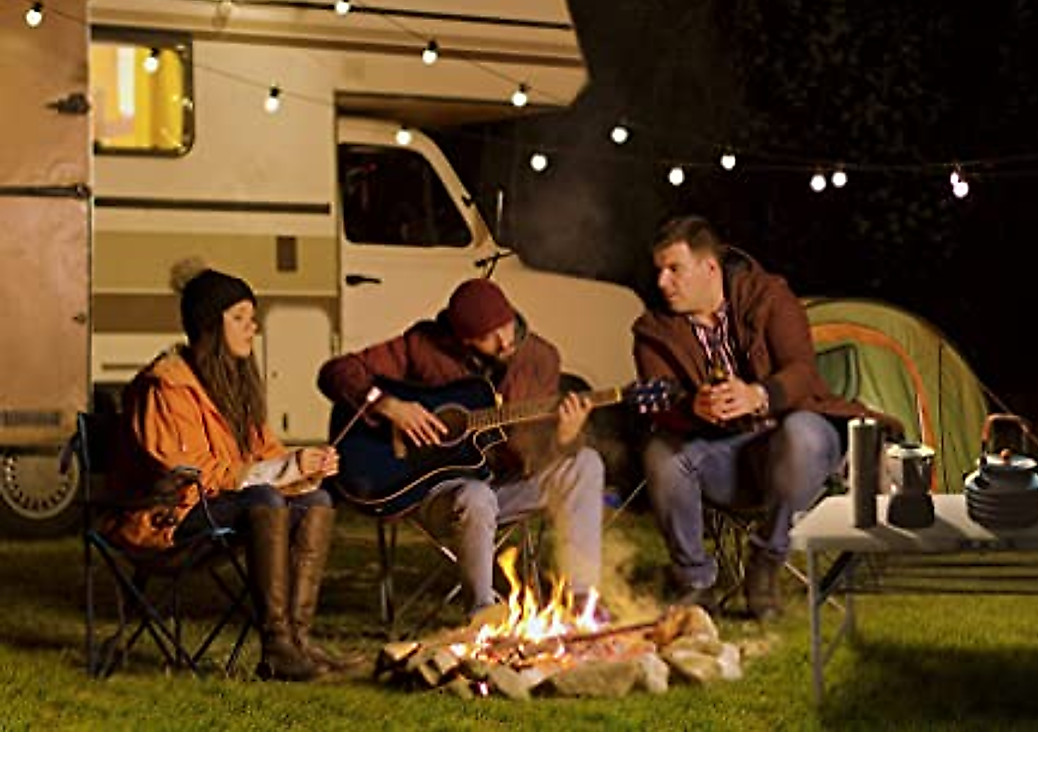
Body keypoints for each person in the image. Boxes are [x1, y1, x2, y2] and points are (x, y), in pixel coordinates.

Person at [632, 216, 903, 620]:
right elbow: (657, 403)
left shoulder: (768, 295)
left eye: (674, 269)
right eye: (658, 272)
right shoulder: (653, 330)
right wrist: (693, 407)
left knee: (801, 432)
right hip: (724, 456)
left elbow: (802, 371)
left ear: (709, 268)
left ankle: (766, 560)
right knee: (661, 453)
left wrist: (757, 395)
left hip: (793, 441)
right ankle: (695, 582)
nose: (662, 283)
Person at [108, 266, 347, 681]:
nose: (251, 328)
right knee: (265, 499)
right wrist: (284, 469)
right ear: (208, 325)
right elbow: (190, 473)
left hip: (217, 509)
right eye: (238, 318)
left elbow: (265, 455)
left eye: (252, 318)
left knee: (316, 502)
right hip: (166, 517)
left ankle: (296, 642)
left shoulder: (232, 386)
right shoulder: (166, 387)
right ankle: (275, 643)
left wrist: (307, 468)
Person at [318, 278, 606, 622]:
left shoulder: (539, 358)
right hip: (439, 492)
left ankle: (580, 599)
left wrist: (564, 437)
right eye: (489, 336)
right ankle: (484, 617)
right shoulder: (423, 346)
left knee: (586, 462)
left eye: (506, 325)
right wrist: (389, 406)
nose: (505, 340)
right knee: (475, 495)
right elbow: (336, 372)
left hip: (508, 484)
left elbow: (533, 455)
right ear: (464, 339)